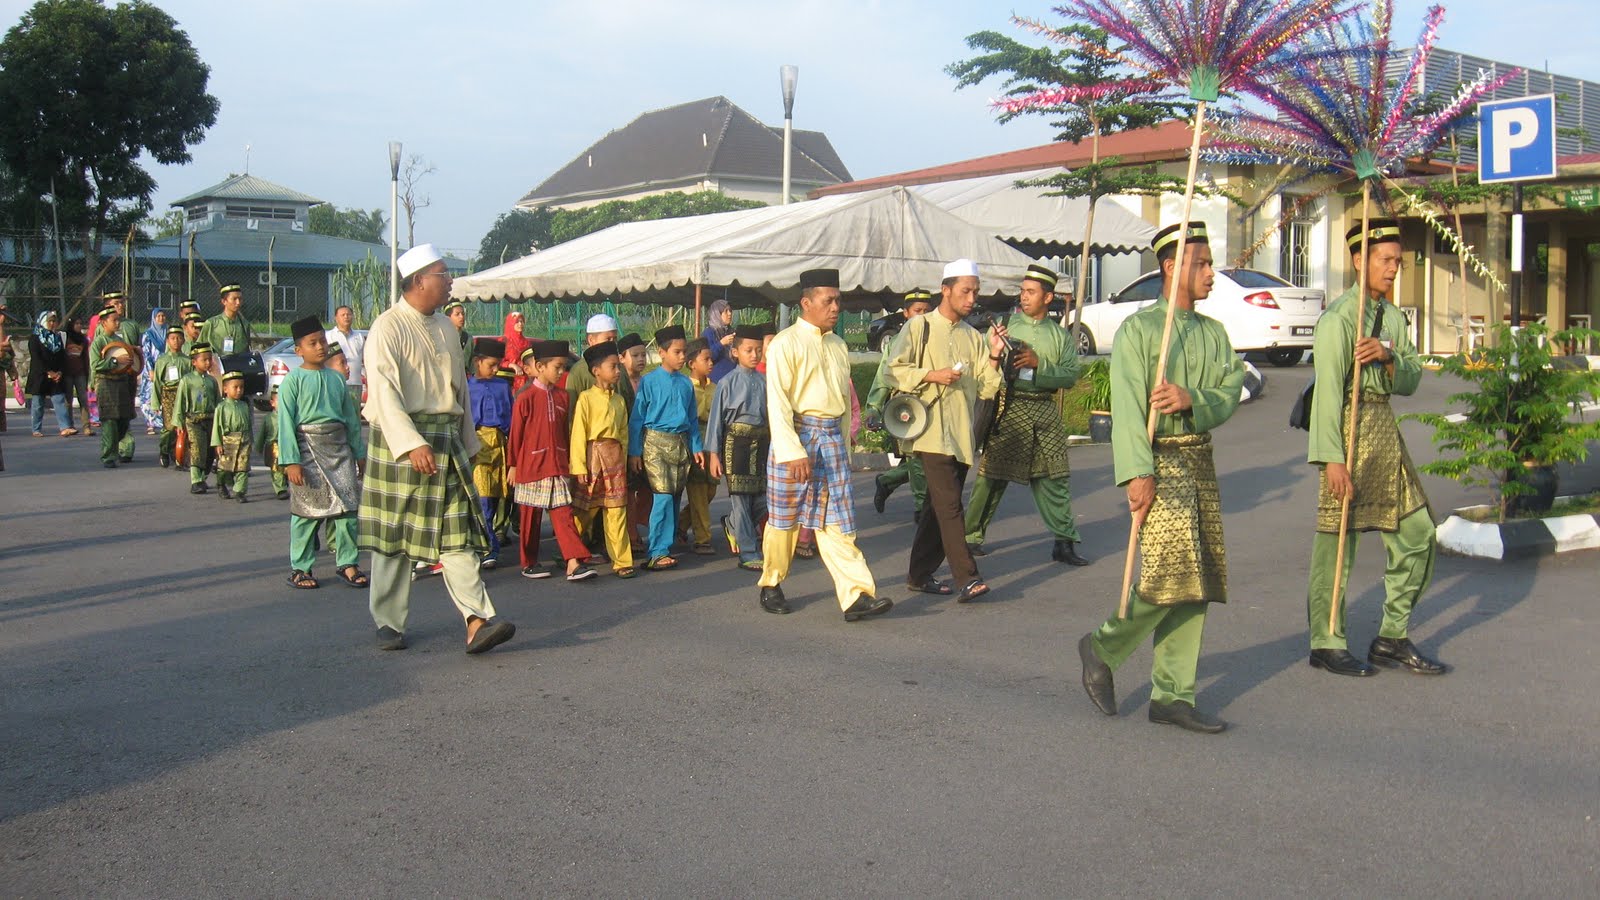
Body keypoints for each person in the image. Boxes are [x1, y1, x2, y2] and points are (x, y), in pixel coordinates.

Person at [1078, 222, 1243, 734]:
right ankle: (1102, 645)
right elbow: (1127, 408)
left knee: (1198, 582)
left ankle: (1173, 693)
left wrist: (1197, 399)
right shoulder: (1141, 330)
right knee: (1170, 572)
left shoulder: (1214, 333)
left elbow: (1232, 387)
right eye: (1202, 263)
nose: (1211, 273)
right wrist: (1137, 474)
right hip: (1158, 459)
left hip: (1199, 461)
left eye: (1211, 263)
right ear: (1172, 267)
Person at [1305, 219, 1445, 677]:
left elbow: (1411, 377)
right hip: (1346, 434)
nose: (1393, 269)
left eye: (1397, 262)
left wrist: (1388, 356)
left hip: (1385, 432)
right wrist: (1331, 459)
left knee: (1419, 532)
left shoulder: (1392, 317)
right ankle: (1327, 641)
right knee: (1337, 547)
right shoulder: (1338, 319)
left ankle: (1392, 635)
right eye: (1385, 260)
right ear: (1359, 260)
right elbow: (1327, 393)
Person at [359, 243, 514, 654]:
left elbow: (458, 389)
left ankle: (477, 620)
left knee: (457, 534)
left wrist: (469, 443)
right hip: (403, 442)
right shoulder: (386, 327)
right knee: (396, 536)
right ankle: (388, 622)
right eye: (443, 275)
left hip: (446, 441)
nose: (450, 283)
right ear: (419, 281)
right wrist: (410, 444)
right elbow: (385, 393)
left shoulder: (448, 328)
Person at [757, 268, 888, 621]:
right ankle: (771, 582)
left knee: (837, 519)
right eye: (828, 300)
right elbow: (778, 402)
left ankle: (856, 595)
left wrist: (845, 446)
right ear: (806, 302)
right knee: (784, 520)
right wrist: (792, 451)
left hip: (831, 439)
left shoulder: (839, 344)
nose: (835, 307)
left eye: (837, 300)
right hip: (796, 438)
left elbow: (845, 404)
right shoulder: (786, 343)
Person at [886, 259, 1006, 604]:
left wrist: (995, 356)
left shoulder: (973, 336)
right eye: (965, 291)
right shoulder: (919, 326)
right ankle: (967, 577)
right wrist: (932, 375)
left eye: (975, 292)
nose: (971, 299)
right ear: (946, 290)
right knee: (951, 504)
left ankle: (918, 573)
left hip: (962, 433)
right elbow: (892, 372)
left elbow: (986, 388)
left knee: (937, 508)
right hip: (929, 429)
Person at [963, 264, 1089, 566]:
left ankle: (1064, 541)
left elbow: (1070, 377)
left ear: (1048, 298)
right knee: (991, 477)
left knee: (1054, 479)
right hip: (1009, 408)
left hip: (1044, 411)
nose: (1024, 297)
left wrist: (1039, 365)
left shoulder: (1060, 336)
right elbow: (982, 365)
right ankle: (969, 538)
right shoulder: (1005, 326)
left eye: (1031, 292)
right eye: (1022, 291)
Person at [280, 315, 368, 590]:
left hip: (339, 450)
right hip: (306, 452)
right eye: (313, 342)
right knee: (306, 512)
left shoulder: (337, 380)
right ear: (299, 350)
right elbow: (285, 423)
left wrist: (359, 452)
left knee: (347, 510)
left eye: (322, 341)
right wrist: (291, 461)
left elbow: (351, 421)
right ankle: (301, 567)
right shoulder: (292, 381)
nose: (320, 347)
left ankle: (348, 563)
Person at [508, 339, 596, 582]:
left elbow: (565, 432)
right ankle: (529, 562)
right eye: (557, 367)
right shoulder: (524, 396)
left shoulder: (562, 397)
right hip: (530, 465)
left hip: (557, 463)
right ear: (539, 366)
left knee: (563, 513)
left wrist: (570, 462)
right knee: (529, 517)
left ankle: (573, 562)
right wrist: (513, 465)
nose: (561, 372)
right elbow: (516, 434)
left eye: (563, 367)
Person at [628, 325, 701, 570]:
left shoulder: (686, 384)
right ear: (662, 352)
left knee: (674, 496)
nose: (683, 357)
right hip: (655, 445)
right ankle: (656, 550)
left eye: (684, 352)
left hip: (681, 445)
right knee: (662, 495)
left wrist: (697, 447)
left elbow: (692, 420)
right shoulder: (648, 382)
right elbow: (637, 419)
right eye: (678, 352)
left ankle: (665, 545)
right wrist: (635, 452)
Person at [705, 325, 769, 571]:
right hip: (736, 444)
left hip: (761, 443)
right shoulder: (726, 382)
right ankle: (748, 552)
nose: (754, 355)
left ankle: (733, 524)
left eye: (758, 350)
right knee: (741, 499)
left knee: (764, 499)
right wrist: (714, 454)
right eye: (748, 350)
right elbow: (716, 421)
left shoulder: (765, 381)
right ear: (735, 352)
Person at [570, 340, 636, 578]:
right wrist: (578, 466)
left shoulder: (618, 400)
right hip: (593, 459)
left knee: (616, 510)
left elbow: (624, 434)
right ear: (596, 370)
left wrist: (627, 459)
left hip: (615, 458)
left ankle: (622, 561)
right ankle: (570, 552)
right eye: (613, 367)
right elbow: (579, 433)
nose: (618, 371)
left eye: (619, 367)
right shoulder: (586, 398)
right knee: (585, 511)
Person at [866, 290, 933, 519]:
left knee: (932, 458)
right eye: (917, 311)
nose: (921, 316)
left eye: (926, 311)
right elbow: (884, 376)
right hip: (906, 406)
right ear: (906, 313)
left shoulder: (937, 337)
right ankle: (920, 507)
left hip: (933, 405)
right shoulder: (896, 341)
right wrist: (873, 407)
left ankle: (887, 481)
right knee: (916, 458)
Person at [468, 338, 513, 569]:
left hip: (501, 446)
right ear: (478, 361)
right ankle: (487, 548)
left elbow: (511, 418)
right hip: (478, 447)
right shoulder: (468, 387)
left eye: (498, 365)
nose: (495, 370)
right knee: (483, 498)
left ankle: (489, 540)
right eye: (491, 365)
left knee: (497, 498)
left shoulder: (503, 387)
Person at [89, 305, 141, 468]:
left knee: (124, 419)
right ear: (104, 323)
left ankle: (114, 446)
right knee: (110, 420)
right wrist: (115, 361)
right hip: (106, 382)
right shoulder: (99, 342)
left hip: (122, 382)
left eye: (118, 320)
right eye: (114, 320)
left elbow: (130, 359)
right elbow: (95, 365)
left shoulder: (120, 341)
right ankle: (109, 456)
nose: (117, 323)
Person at [683, 338, 719, 554]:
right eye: (705, 359)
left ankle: (680, 524)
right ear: (692, 364)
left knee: (711, 491)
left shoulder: (716, 387)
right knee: (697, 491)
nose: (711, 363)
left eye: (711, 358)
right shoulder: (687, 387)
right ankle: (702, 538)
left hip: (712, 444)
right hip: (694, 445)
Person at [616, 331, 651, 553]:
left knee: (649, 487)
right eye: (635, 355)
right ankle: (632, 534)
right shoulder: (618, 382)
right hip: (625, 445)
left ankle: (640, 523)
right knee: (627, 492)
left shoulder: (648, 381)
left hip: (649, 444)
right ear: (622, 358)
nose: (641, 359)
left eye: (643, 355)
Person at [171, 342, 220, 491]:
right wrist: (178, 422)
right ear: (194, 362)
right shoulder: (187, 380)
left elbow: (218, 403)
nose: (207, 362)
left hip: (210, 419)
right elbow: (180, 401)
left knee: (209, 451)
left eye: (209, 359)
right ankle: (196, 480)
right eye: (203, 360)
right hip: (194, 420)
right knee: (196, 449)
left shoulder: (212, 381)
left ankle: (203, 477)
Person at [27, 311, 74, 437]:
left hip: (55, 376)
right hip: (40, 375)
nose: (53, 324)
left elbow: (62, 357)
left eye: (54, 321)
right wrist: (49, 372)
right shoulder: (35, 338)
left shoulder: (57, 338)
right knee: (38, 404)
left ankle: (65, 427)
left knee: (59, 400)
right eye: (50, 321)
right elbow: (37, 359)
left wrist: (59, 372)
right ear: (43, 322)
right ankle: (36, 429)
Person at [563, 313, 620, 411]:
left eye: (614, 339)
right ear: (591, 340)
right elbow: (572, 409)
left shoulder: (619, 367)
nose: (612, 343)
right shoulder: (578, 371)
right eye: (608, 339)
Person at [212, 372, 253, 502]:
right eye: (235, 387)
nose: (239, 390)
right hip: (228, 441)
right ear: (225, 389)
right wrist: (217, 443)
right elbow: (217, 427)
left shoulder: (244, 406)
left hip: (243, 440)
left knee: (243, 467)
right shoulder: (221, 407)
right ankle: (221, 483)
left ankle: (239, 491)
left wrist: (251, 440)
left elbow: (249, 424)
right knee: (225, 467)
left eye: (241, 387)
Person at [151, 326, 187, 467]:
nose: (176, 341)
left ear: (183, 340)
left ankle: (177, 452)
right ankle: (164, 450)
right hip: (168, 394)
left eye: (179, 338)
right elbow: (157, 382)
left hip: (182, 394)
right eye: (172, 338)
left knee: (182, 424)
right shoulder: (162, 360)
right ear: (167, 341)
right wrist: (155, 402)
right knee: (169, 426)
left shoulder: (187, 360)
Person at [200, 283, 252, 375]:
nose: (238, 303)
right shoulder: (212, 323)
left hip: (238, 371)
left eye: (240, 299)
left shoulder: (244, 324)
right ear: (224, 301)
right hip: (217, 370)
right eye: (234, 299)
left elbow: (246, 350)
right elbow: (200, 348)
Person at [325, 304, 366, 408]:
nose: (346, 317)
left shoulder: (359, 336)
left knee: (354, 413)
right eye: (343, 315)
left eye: (349, 314)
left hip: (355, 382)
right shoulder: (328, 336)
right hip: (335, 383)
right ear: (336, 318)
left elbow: (365, 359)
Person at [253, 385, 290, 500]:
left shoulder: (291, 417)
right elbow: (262, 434)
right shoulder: (269, 418)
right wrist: (258, 447)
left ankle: (286, 482)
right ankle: (280, 489)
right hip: (273, 445)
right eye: (280, 400)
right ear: (272, 403)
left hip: (288, 445)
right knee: (276, 468)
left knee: (288, 467)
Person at [138, 308, 169, 435]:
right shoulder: (148, 334)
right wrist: (150, 370)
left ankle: (163, 423)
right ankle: (150, 423)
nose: (161, 318)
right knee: (149, 397)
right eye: (158, 316)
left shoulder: (168, 333)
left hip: (166, 369)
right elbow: (146, 354)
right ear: (154, 318)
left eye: (163, 316)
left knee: (165, 396)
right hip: (152, 370)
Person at [62, 316, 91, 434]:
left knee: (83, 399)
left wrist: (87, 373)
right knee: (68, 400)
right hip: (67, 374)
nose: (79, 326)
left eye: (80, 323)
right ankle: (69, 425)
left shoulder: (83, 339)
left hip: (80, 373)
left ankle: (86, 426)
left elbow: (85, 358)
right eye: (76, 323)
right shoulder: (65, 338)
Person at [701, 298, 738, 382]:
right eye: (726, 311)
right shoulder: (709, 333)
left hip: (733, 379)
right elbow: (707, 357)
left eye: (730, 311)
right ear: (717, 314)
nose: (729, 314)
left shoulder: (731, 331)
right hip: (716, 381)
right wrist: (721, 343)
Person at [498, 310, 531, 394]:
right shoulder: (504, 341)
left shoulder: (526, 342)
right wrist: (512, 365)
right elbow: (497, 361)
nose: (520, 324)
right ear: (510, 323)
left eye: (521, 321)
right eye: (517, 322)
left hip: (525, 382)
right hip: (507, 382)